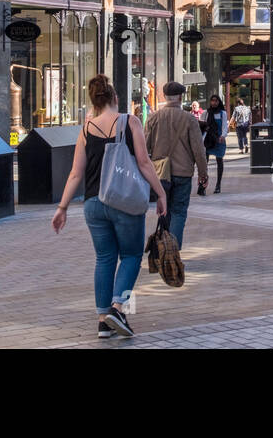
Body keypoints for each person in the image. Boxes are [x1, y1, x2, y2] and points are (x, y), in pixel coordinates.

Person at [53, 75, 167, 340]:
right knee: (130, 256)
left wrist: (62, 207)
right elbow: (144, 163)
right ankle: (118, 308)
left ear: (94, 101)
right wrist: (161, 193)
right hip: (124, 202)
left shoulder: (85, 129)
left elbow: (75, 174)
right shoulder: (130, 121)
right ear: (115, 98)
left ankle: (104, 322)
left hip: (93, 204)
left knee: (104, 258)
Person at [144, 81, 209, 248]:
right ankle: (173, 250)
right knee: (179, 212)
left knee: (163, 210)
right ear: (181, 97)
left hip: (160, 173)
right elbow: (198, 149)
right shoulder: (189, 119)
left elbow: (145, 146)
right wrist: (203, 173)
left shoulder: (153, 118)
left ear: (164, 97)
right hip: (183, 172)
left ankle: (163, 248)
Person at [199, 94, 229, 195]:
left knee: (219, 160)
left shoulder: (222, 113)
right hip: (208, 140)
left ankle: (218, 185)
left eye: (216, 101)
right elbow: (201, 124)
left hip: (219, 139)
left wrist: (223, 136)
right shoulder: (206, 113)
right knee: (204, 163)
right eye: (212, 100)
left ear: (219, 102)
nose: (214, 102)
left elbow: (225, 126)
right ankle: (202, 185)